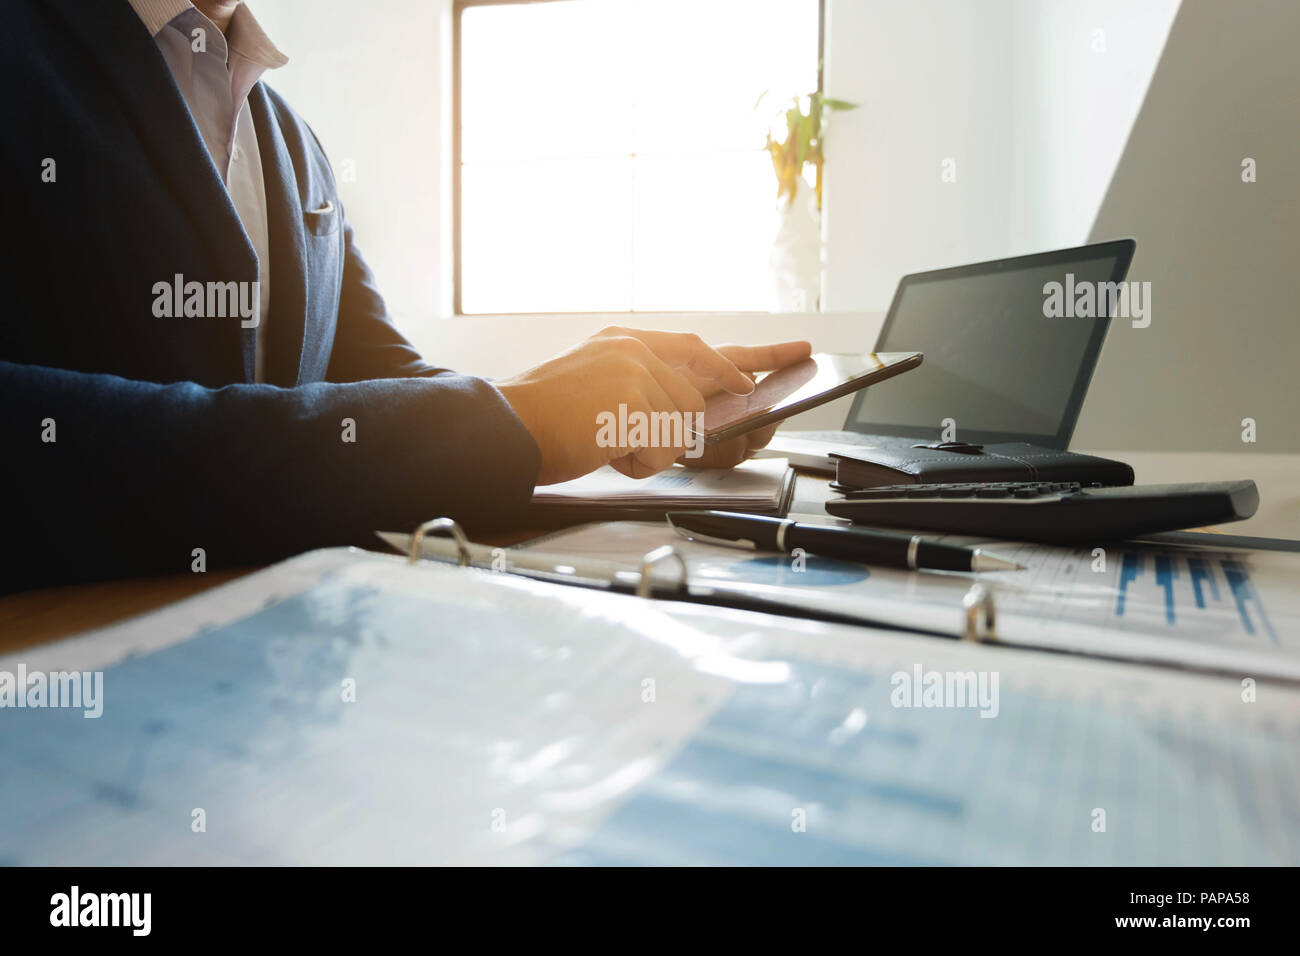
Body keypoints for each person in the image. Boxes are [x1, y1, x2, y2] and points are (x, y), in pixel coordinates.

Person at [1, 0, 808, 591]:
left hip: (274, 662)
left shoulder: (293, 138)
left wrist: (618, 406)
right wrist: (519, 418)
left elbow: (377, 383)